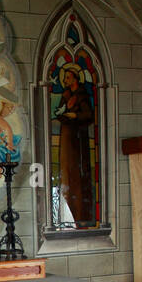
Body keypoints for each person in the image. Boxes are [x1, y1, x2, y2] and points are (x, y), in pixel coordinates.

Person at [54, 64, 96, 225]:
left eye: (68, 77)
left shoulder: (82, 95)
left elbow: (88, 115)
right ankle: (66, 216)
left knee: (78, 172)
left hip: (78, 138)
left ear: (75, 79)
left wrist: (75, 115)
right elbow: (59, 112)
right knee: (66, 170)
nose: (65, 80)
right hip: (66, 135)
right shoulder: (66, 95)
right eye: (64, 78)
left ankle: (80, 214)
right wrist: (64, 115)